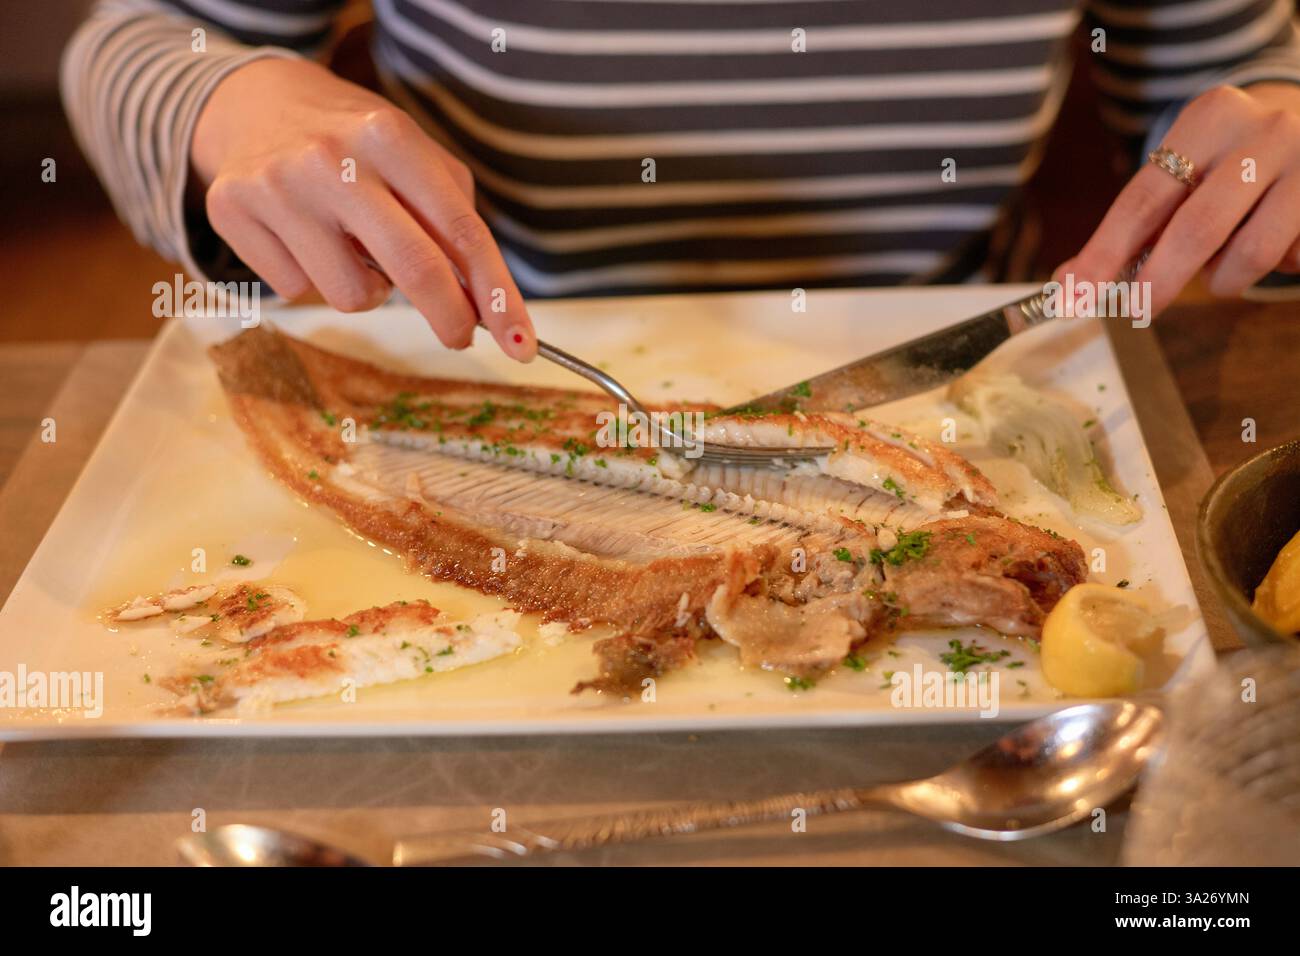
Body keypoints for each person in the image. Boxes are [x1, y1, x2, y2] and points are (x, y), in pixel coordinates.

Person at [63, 1, 1300, 362]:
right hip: (481, 376)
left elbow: (1229, 73)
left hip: (961, 377)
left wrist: (1273, 134)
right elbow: (138, 39)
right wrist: (227, 101)